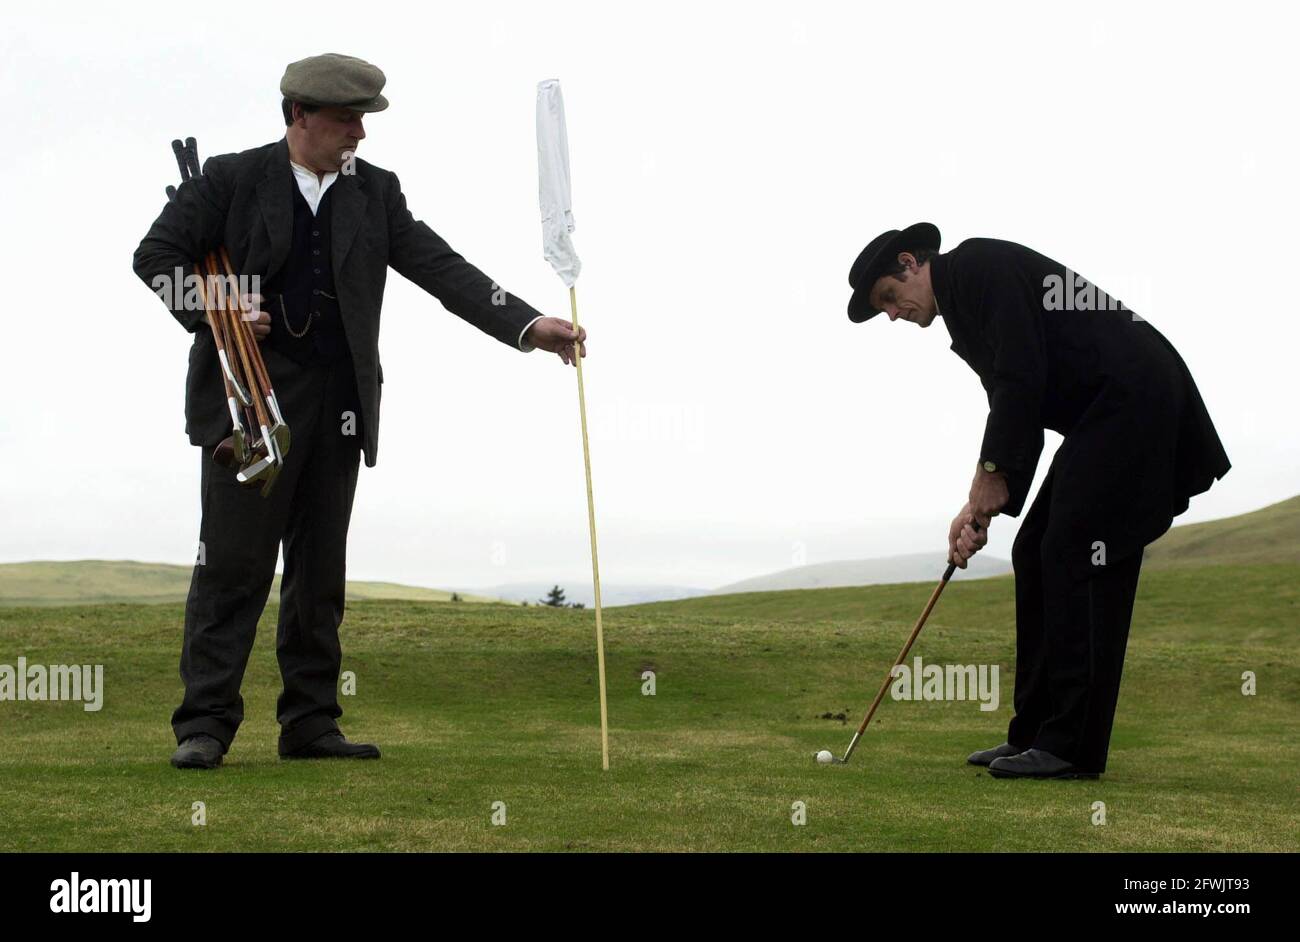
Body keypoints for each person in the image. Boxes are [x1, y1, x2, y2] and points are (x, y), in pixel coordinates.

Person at [133, 53, 587, 770]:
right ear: (299, 116)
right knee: (233, 570)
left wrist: (530, 327)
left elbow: (441, 268)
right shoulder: (229, 178)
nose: (360, 136)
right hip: (247, 408)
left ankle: (310, 725)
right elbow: (155, 256)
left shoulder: (376, 193)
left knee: (319, 577)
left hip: (339, 410)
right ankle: (205, 726)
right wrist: (214, 303)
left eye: (364, 121)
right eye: (348, 120)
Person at [846, 223, 1229, 778]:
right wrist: (979, 501)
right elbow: (1013, 402)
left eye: (888, 297)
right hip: (1104, 414)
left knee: (1076, 550)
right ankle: (1033, 733)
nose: (892, 314)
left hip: (1134, 401)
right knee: (1034, 550)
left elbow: (1019, 377)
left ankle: (1072, 745)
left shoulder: (977, 266)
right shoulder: (964, 308)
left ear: (910, 262)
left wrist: (993, 475)